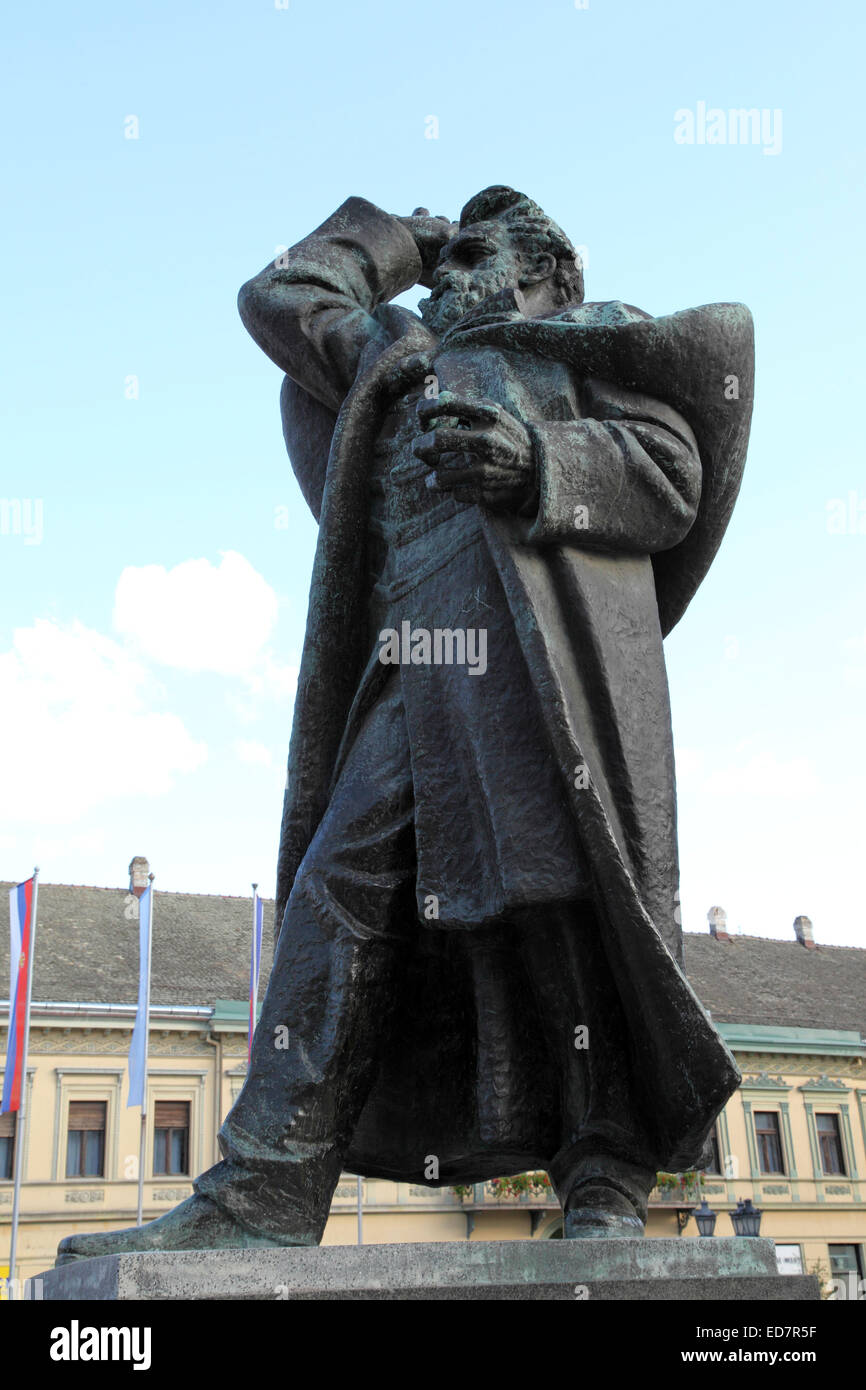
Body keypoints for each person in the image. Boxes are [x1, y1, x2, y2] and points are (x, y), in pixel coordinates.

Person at [57, 187, 752, 1262]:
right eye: (447, 257)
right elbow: (278, 294)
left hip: (531, 653)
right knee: (338, 889)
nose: (451, 274)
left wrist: (535, 463)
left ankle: (602, 1169)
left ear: (548, 272)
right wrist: (405, 241)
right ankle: (268, 1183)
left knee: (558, 896)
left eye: (475, 252)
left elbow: (669, 470)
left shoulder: (582, 345)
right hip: (411, 658)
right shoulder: (393, 353)